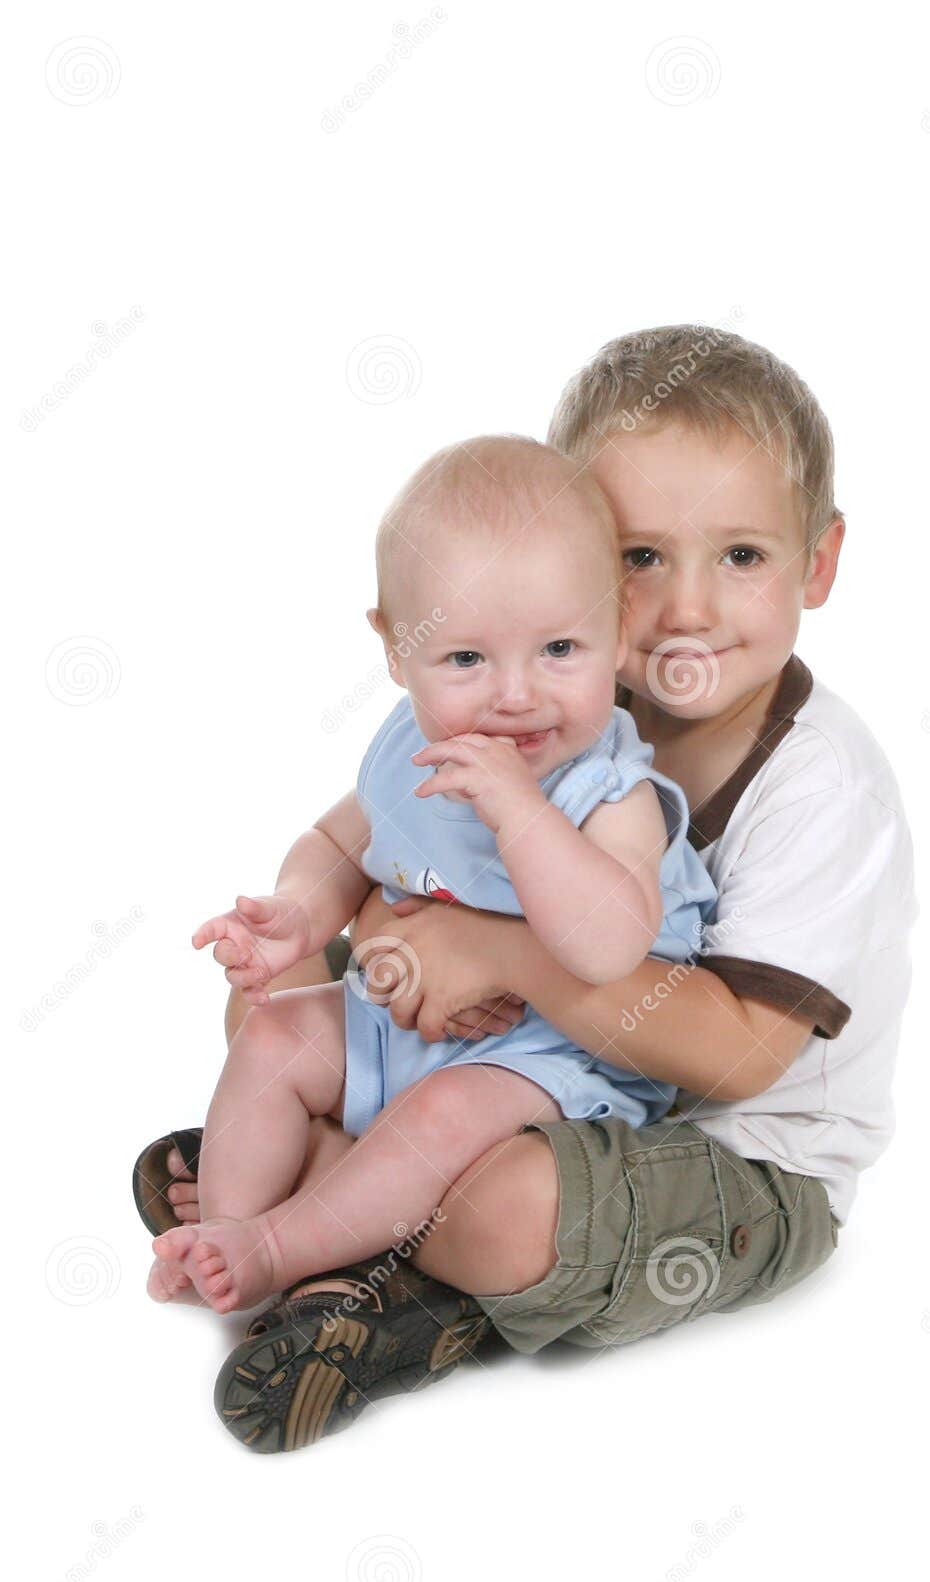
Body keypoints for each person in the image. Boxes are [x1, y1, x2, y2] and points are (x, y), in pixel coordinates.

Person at [145, 323, 917, 1454]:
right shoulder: (549, 695)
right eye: (641, 560)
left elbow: (742, 1055)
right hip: (499, 1061)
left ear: (817, 562)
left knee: (510, 1208)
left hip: (732, 1156)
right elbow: (376, 848)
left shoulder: (817, 787)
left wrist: (491, 958)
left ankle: (317, 1229)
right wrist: (320, 927)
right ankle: (338, 1240)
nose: (687, 608)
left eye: (741, 556)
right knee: (269, 1010)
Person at [149, 435, 716, 1315]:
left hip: (558, 1060)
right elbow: (340, 841)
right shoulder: (408, 745)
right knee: (269, 1039)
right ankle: (228, 1233)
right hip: (408, 1020)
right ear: (394, 650)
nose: (516, 694)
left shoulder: (610, 790)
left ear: (619, 624)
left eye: (560, 648)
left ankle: (277, 1247)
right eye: (464, 660)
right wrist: (297, 919)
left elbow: (608, 945)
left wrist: (518, 812)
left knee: (443, 1116)